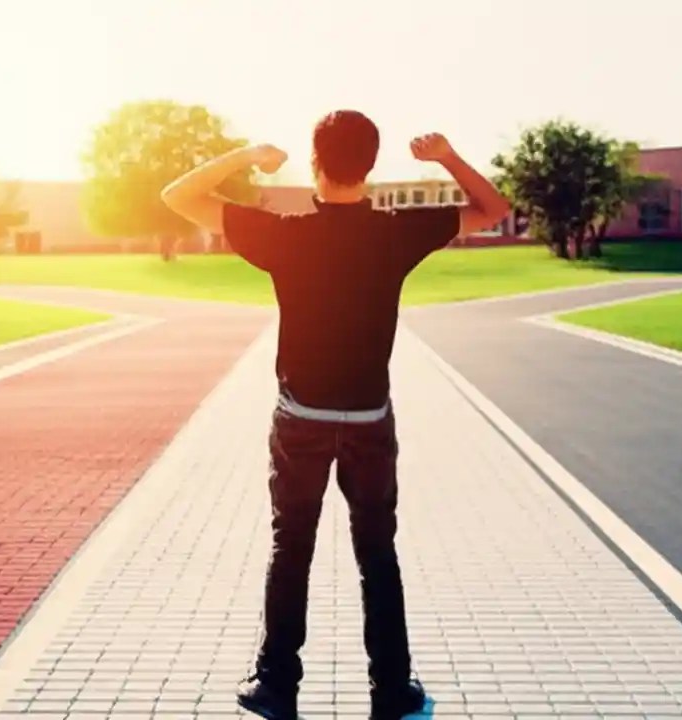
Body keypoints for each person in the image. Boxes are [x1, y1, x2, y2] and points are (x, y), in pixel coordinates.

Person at [161, 110, 510, 720]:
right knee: (377, 552)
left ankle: (276, 686)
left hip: (301, 419)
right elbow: (494, 209)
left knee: (291, 546)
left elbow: (178, 196)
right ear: (370, 166)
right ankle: (392, 690)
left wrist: (248, 156)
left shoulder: (285, 233)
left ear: (315, 162)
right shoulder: (397, 231)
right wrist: (447, 157)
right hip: (370, 420)